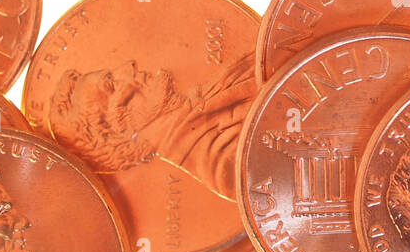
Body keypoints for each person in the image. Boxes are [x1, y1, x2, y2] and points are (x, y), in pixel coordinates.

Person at [50, 54, 257, 199]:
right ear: (118, 133)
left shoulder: (205, 103)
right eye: (110, 83)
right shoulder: (223, 164)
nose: (128, 65)